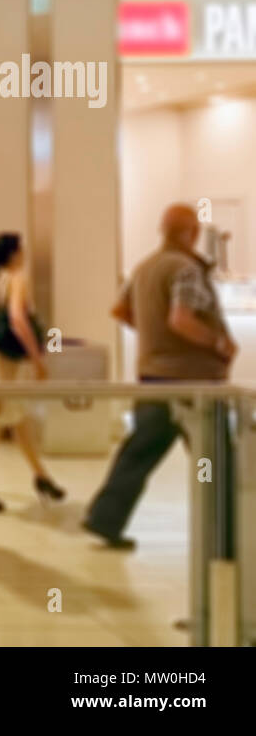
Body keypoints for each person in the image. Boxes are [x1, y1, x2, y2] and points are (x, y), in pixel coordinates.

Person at [85, 204, 237, 550]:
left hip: (153, 376)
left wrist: (153, 337)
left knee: (139, 451)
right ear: (191, 233)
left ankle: (105, 519)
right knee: (212, 458)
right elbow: (181, 319)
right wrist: (218, 342)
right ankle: (224, 534)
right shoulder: (185, 269)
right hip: (192, 383)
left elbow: (119, 309)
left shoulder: (144, 268)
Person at [0, 232, 64, 512]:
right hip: (6, 361)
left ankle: (40, 476)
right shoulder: (16, 280)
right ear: (13, 254)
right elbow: (18, 319)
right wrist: (37, 357)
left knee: (13, 418)